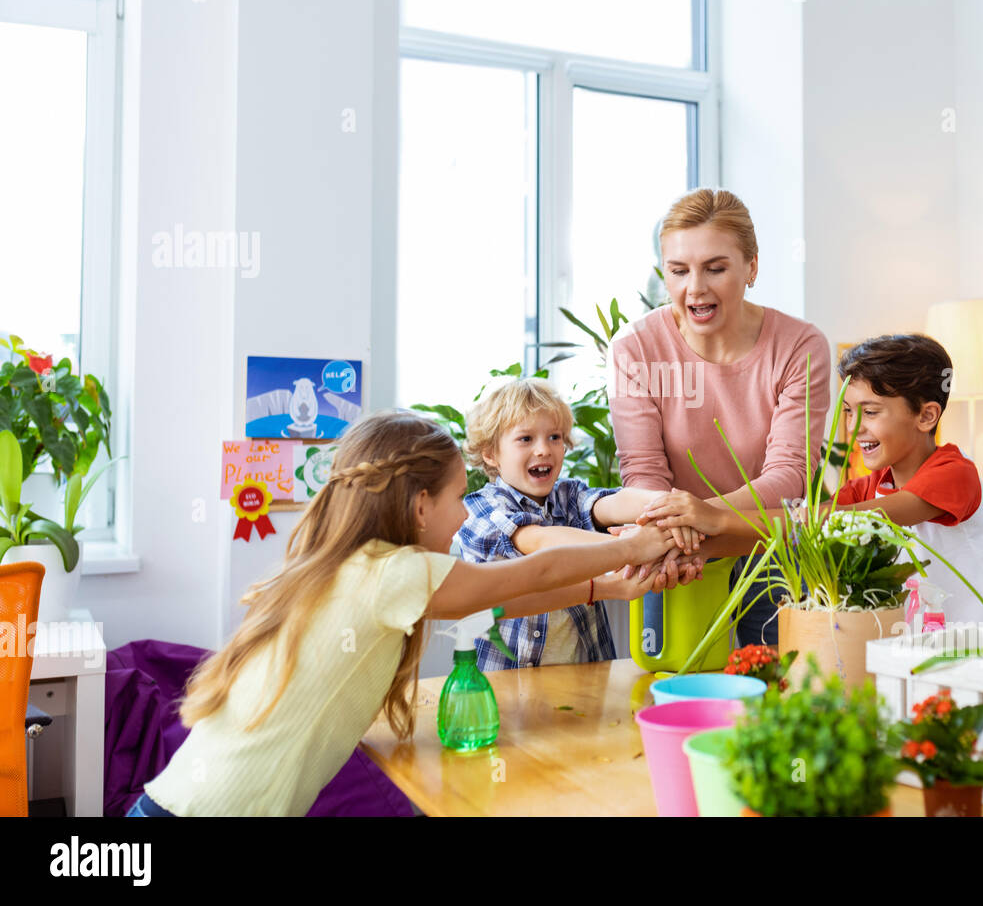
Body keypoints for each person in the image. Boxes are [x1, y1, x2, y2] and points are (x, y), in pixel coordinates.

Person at [128, 410, 674, 816]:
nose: (464, 515)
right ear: (418, 506)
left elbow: (498, 600)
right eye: (459, 498)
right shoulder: (392, 573)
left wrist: (608, 588)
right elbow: (526, 575)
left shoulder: (349, 566)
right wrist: (632, 547)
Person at [639, 333, 983, 625]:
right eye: (848, 411)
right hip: (918, 657)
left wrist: (715, 516)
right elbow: (797, 529)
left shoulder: (955, 474)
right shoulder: (869, 486)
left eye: (871, 411)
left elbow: (847, 520)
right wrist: (695, 549)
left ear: (927, 416)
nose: (854, 426)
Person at [608, 187, 832, 645]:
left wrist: (705, 516)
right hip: (675, 551)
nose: (695, 288)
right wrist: (686, 528)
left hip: (768, 545)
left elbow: (790, 475)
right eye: (679, 271)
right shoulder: (635, 349)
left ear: (751, 266)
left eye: (715, 268)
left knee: (781, 687)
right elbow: (644, 471)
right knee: (670, 689)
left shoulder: (798, 346)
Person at [454, 378, 703, 669]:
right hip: (507, 686)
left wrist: (672, 508)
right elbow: (538, 540)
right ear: (490, 453)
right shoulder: (481, 508)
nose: (544, 449)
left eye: (554, 437)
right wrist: (634, 546)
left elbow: (615, 502)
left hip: (584, 677)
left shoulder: (568, 495)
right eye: (526, 439)